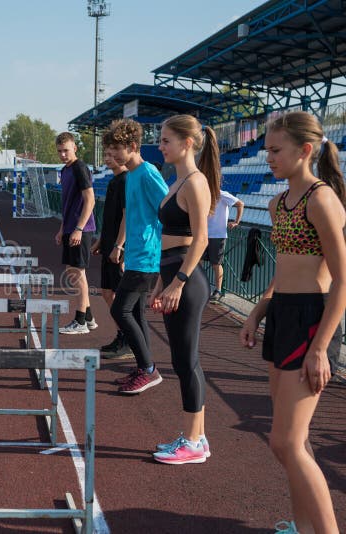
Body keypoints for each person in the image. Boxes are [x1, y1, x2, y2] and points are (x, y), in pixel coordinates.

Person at [240, 111, 345, 533]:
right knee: (292, 443)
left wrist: (320, 347)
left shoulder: (320, 199)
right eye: (266, 150)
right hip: (282, 311)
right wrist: (258, 310)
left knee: (284, 440)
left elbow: (342, 280)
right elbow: (283, 270)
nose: (268, 157)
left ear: (304, 151)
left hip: (311, 320)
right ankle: (305, 527)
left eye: (275, 150)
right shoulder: (277, 201)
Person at [148, 114, 219, 465]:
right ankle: (197, 437)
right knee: (181, 360)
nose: (160, 146)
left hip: (187, 281)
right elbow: (167, 242)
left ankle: (193, 442)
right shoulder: (175, 181)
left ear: (186, 143)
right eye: (160, 140)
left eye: (166, 141)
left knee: (186, 361)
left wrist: (178, 283)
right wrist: (162, 283)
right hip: (173, 275)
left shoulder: (194, 181)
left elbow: (201, 239)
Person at [106, 118, 169, 394]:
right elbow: (128, 217)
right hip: (133, 255)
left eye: (117, 149)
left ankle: (149, 370)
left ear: (133, 146)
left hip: (147, 256)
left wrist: (159, 248)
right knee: (135, 313)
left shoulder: (148, 173)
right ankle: (144, 366)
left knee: (119, 309)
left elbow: (168, 209)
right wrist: (120, 247)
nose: (114, 155)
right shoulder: (130, 176)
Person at [53, 132, 97, 335]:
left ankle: (80, 321)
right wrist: (63, 229)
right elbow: (68, 203)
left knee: (77, 273)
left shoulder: (80, 168)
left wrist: (79, 228)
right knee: (74, 272)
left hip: (81, 229)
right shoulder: (65, 170)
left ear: (75, 148)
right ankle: (88, 318)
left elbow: (90, 200)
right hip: (71, 228)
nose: (63, 154)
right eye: (60, 151)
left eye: (66, 150)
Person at [92, 139, 131, 358]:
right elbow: (110, 217)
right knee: (107, 293)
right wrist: (101, 241)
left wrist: (119, 245)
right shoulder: (113, 180)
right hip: (108, 245)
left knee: (121, 297)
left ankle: (129, 339)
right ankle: (121, 334)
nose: (108, 158)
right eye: (105, 154)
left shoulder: (126, 180)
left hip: (119, 248)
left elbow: (127, 216)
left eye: (112, 153)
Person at [206, 190, 244, 301]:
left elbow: (240, 204)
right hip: (203, 233)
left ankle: (218, 291)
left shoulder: (222, 194)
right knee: (198, 263)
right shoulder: (204, 192)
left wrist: (236, 221)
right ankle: (201, 288)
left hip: (218, 235)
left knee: (216, 264)